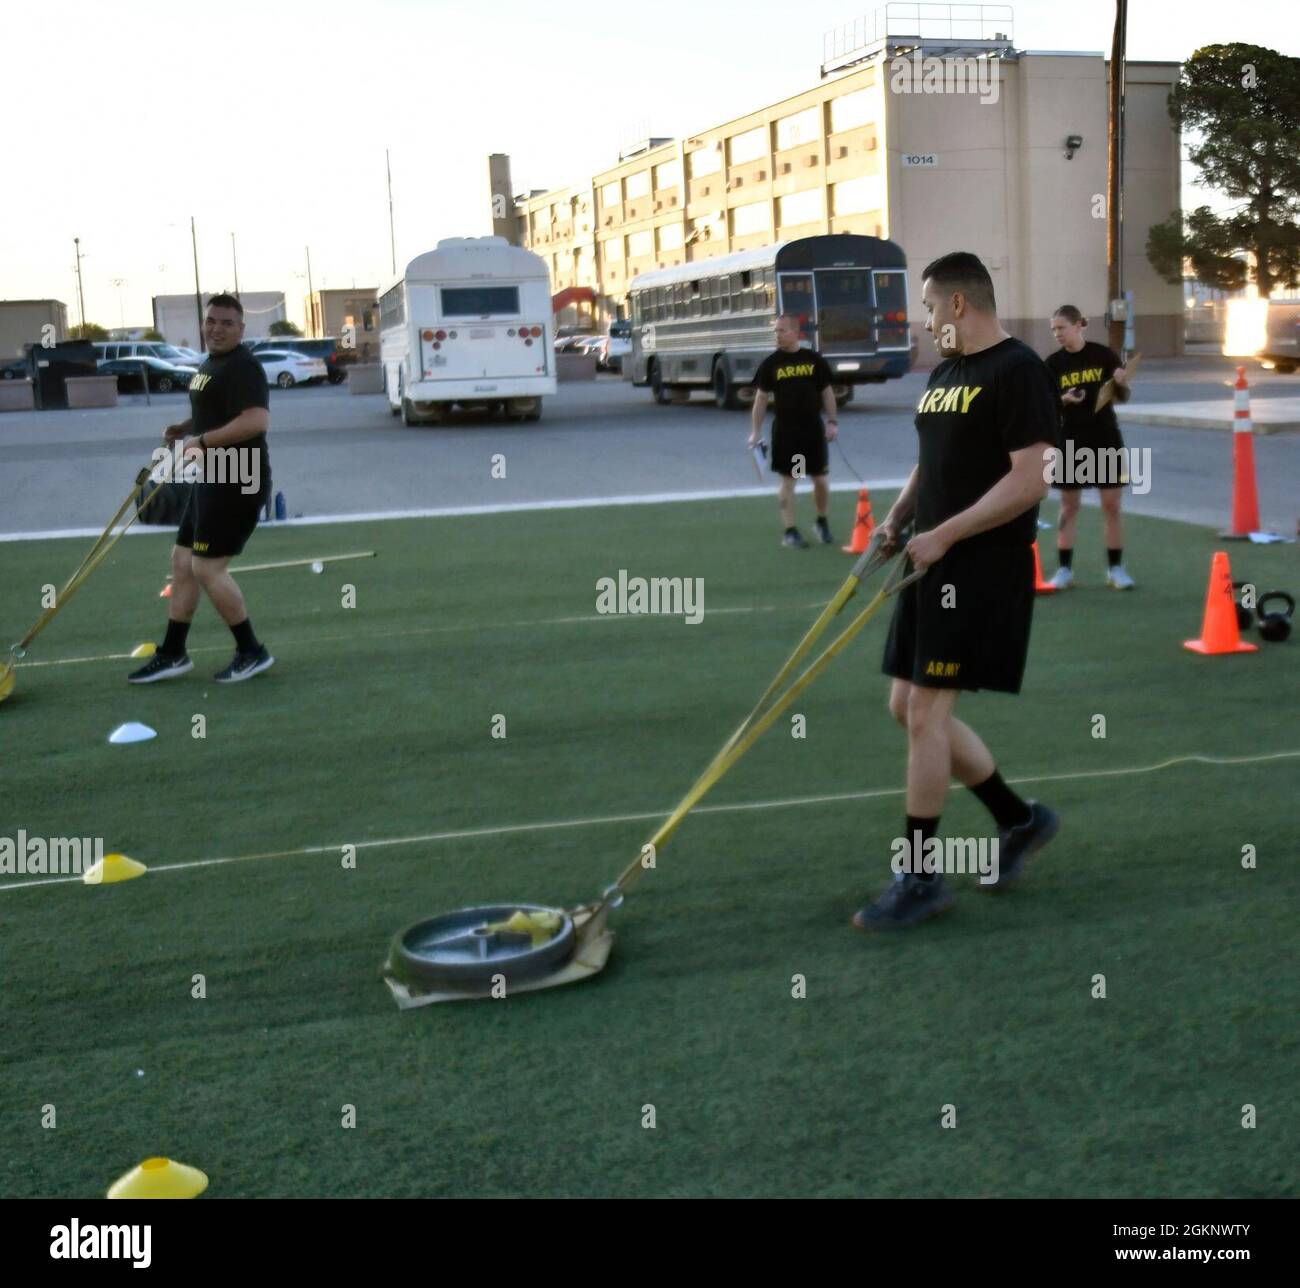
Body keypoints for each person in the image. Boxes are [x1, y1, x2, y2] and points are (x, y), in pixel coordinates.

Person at [855, 252, 1061, 932]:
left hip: (980, 569)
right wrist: (900, 516)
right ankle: (1019, 819)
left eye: (929, 308)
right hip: (932, 558)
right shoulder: (948, 372)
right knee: (903, 706)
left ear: (959, 306)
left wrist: (947, 535)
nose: (925, 320)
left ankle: (918, 878)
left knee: (925, 716)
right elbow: (932, 456)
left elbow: (1029, 480)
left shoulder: (1018, 371)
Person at [128, 294, 274, 684]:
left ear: (241, 329)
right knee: (182, 561)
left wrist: (204, 441)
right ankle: (173, 653)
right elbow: (217, 411)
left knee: (207, 566)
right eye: (212, 321)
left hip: (237, 478)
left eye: (227, 323)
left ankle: (251, 651)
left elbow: (256, 420)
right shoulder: (212, 363)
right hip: (212, 477)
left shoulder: (244, 366)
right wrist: (187, 428)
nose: (217, 328)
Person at [1044, 305, 1134, 589]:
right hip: (1069, 440)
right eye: (1053, 329)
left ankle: (1115, 569)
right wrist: (1064, 400)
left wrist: (1121, 382)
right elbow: (1045, 405)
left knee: (1112, 506)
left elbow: (1124, 396)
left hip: (1105, 438)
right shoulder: (1052, 364)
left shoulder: (1103, 355)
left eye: (1061, 327)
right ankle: (1064, 570)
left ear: (1078, 325)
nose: (1057, 333)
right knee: (1069, 506)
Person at [748, 314, 839, 548]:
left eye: (782, 330)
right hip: (789, 434)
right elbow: (760, 400)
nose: (777, 335)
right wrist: (755, 432)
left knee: (820, 479)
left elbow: (827, 392)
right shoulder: (772, 364)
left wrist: (832, 422)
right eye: (775, 331)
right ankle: (790, 530)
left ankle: (821, 521)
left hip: (812, 432)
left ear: (796, 332)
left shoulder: (813, 360)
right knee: (791, 478)